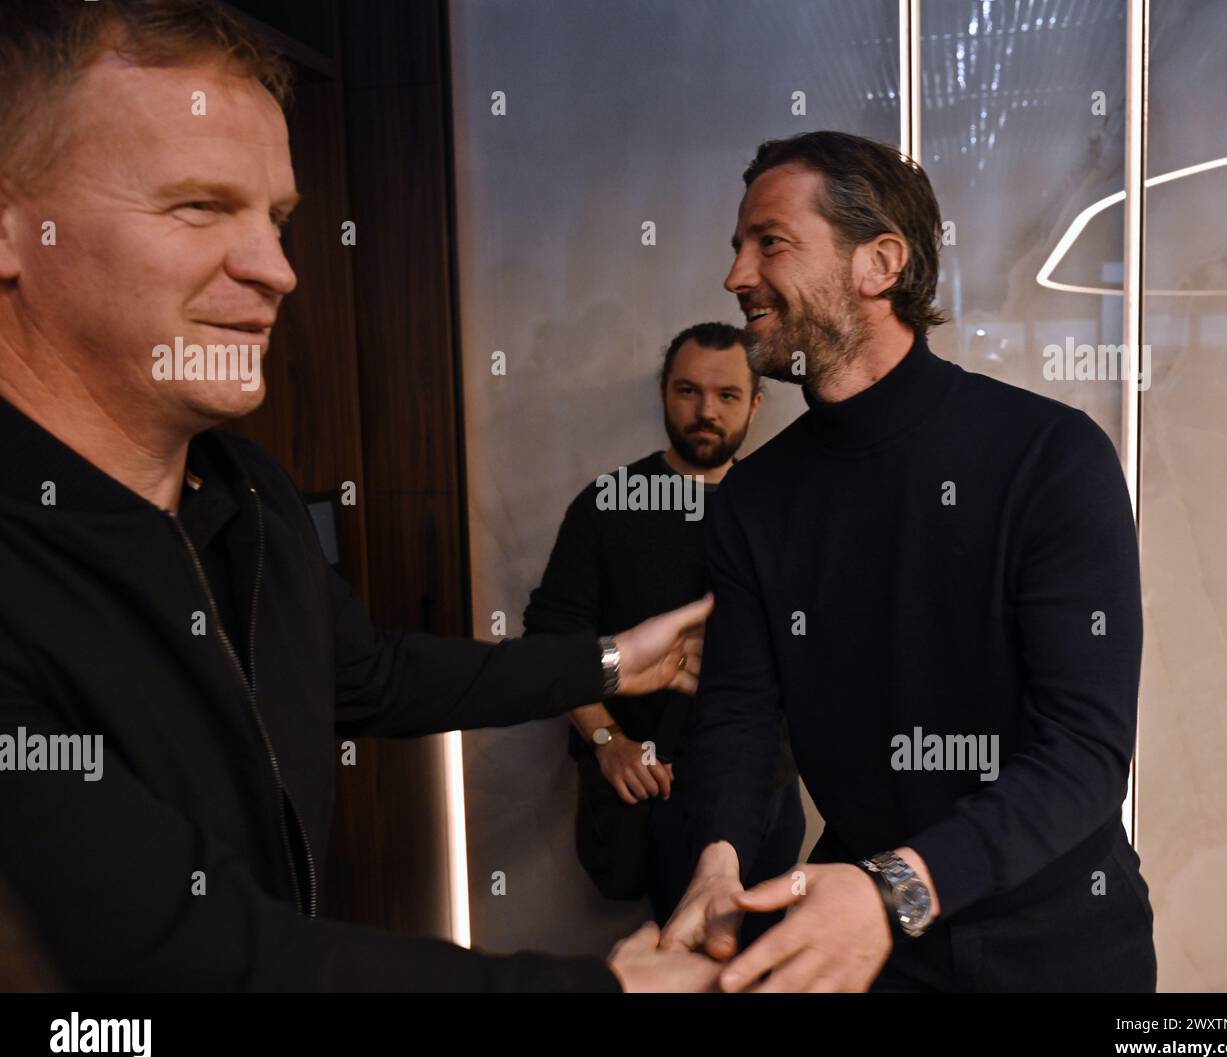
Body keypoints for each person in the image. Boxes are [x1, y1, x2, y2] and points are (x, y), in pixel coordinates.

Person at [0, 0, 723, 993]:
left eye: (279, 218)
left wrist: (609, 662)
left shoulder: (245, 487)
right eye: (200, 206)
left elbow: (367, 675)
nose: (277, 270)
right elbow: (179, 955)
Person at [661, 131, 1156, 993]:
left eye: (769, 243)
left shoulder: (1050, 456)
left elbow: (1083, 753)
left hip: (1061, 945)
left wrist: (896, 891)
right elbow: (739, 717)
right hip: (861, 946)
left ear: (879, 262)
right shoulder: (753, 498)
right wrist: (717, 859)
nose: (737, 276)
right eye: (738, 248)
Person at [523, 322, 804, 943]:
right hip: (652, 789)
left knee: (760, 966)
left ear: (756, 402)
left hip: (765, 789)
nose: (706, 411)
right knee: (673, 963)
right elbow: (551, 640)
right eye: (688, 391)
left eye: (728, 395)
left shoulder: (786, 509)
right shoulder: (606, 505)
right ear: (663, 394)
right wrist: (607, 739)